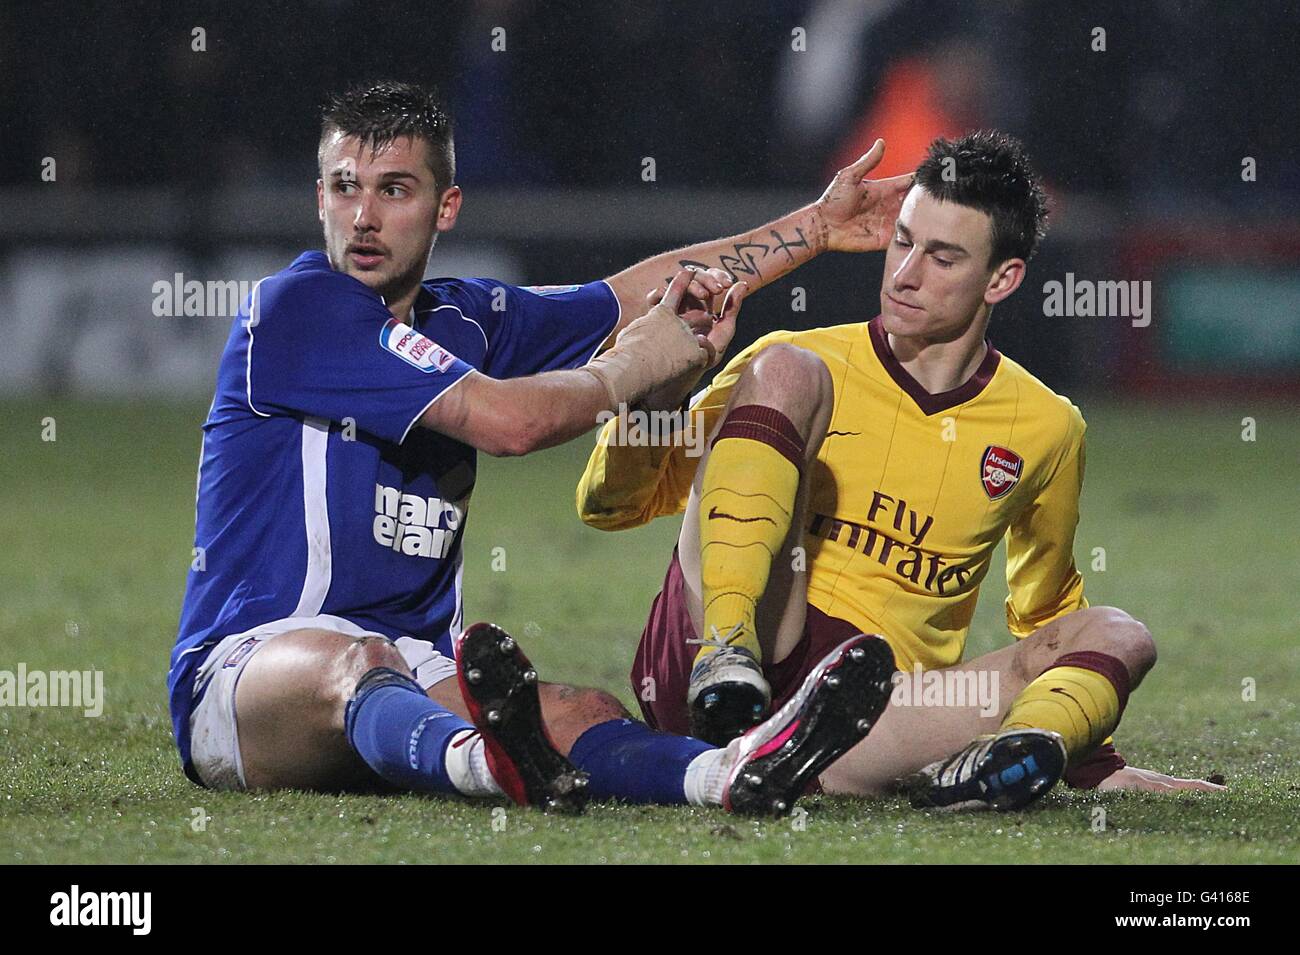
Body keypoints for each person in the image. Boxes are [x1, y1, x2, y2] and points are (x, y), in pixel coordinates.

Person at [166, 80, 911, 814]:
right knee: (359, 664)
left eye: (394, 190)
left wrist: (814, 228)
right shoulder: (298, 310)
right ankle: (489, 763)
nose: (363, 216)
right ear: (318, 197)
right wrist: (633, 367)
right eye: (343, 187)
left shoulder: (466, 320)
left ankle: (733, 771)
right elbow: (509, 423)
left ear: (445, 207)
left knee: (583, 711)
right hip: (250, 673)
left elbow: (636, 296)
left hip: (415, 674)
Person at [578, 130, 1226, 809]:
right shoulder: (796, 361)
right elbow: (610, 506)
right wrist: (655, 395)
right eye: (904, 240)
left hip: (859, 723)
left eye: (943, 256)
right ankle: (728, 654)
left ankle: (1011, 758)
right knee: (790, 371)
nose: (906, 272)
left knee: (1121, 632)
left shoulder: (1047, 426)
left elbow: (1045, 611)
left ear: (1001, 279)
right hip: (720, 673)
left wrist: (1088, 754)